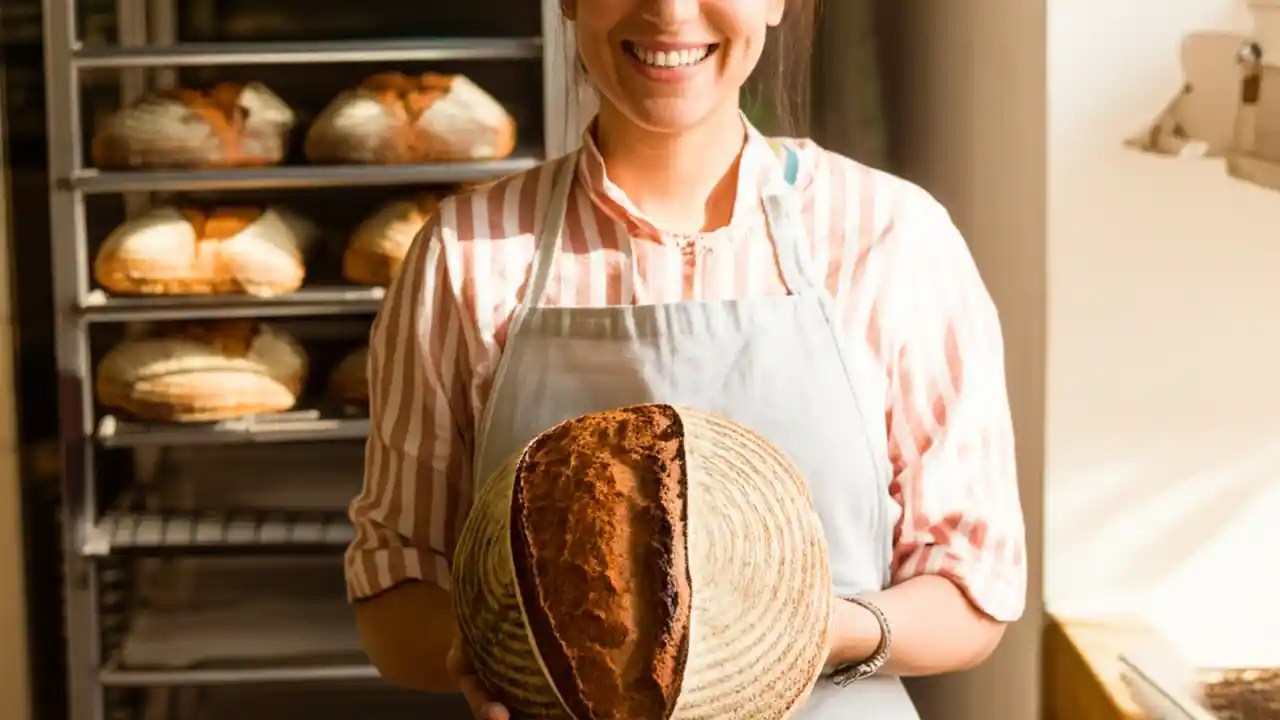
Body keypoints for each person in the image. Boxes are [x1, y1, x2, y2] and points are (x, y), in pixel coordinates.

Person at [345, 0, 1027, 717]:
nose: (670, 11)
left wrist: (799, 634)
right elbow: (394, 582)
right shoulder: (467, 254)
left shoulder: (890, 235)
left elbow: (973, 587)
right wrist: (495, 654)